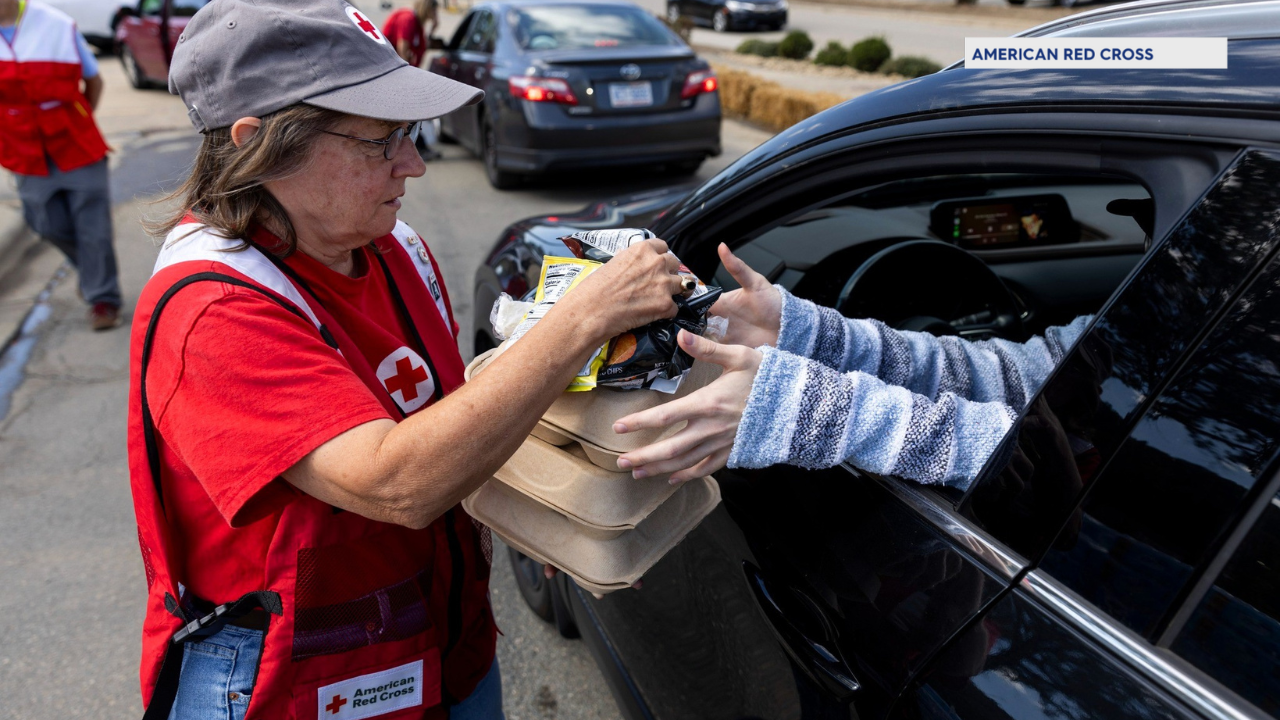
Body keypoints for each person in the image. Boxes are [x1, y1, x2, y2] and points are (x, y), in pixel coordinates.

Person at [125, 2, 684, 719]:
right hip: (293, 683)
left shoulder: (395, 247)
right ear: (257, 143)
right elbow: (400, 482)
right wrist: (586, 315)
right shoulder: (212, 309)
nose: (414, 164)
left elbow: (453, 421)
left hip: (444, 644)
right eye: (380, 142)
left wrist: (547, 514)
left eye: (412, 135)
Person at [614, 242, 1092, 489]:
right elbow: (1016, 380)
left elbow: (1014, 453)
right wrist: (810, 335)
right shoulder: (1116, 345)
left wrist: (801, 410)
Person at [0, 0, 122, 330]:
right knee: (44, 223)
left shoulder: (55, 23)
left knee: (92, 228)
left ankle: (103, 299)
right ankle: (93, 271)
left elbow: (93, 80)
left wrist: (82, 120)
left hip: (76, 144)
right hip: (23, 151)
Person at [382, 0, 442, 160]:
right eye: (434, 11)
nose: (435, 15)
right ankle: (418, 147)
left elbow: (419, 49)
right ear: (428, 8)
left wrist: (433, 28)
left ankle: (416, 146)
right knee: (411, 111)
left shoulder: (417, 24)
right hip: (393, 74)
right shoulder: (408, 19)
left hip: (399, 74)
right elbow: (403, 51)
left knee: (409, 114)